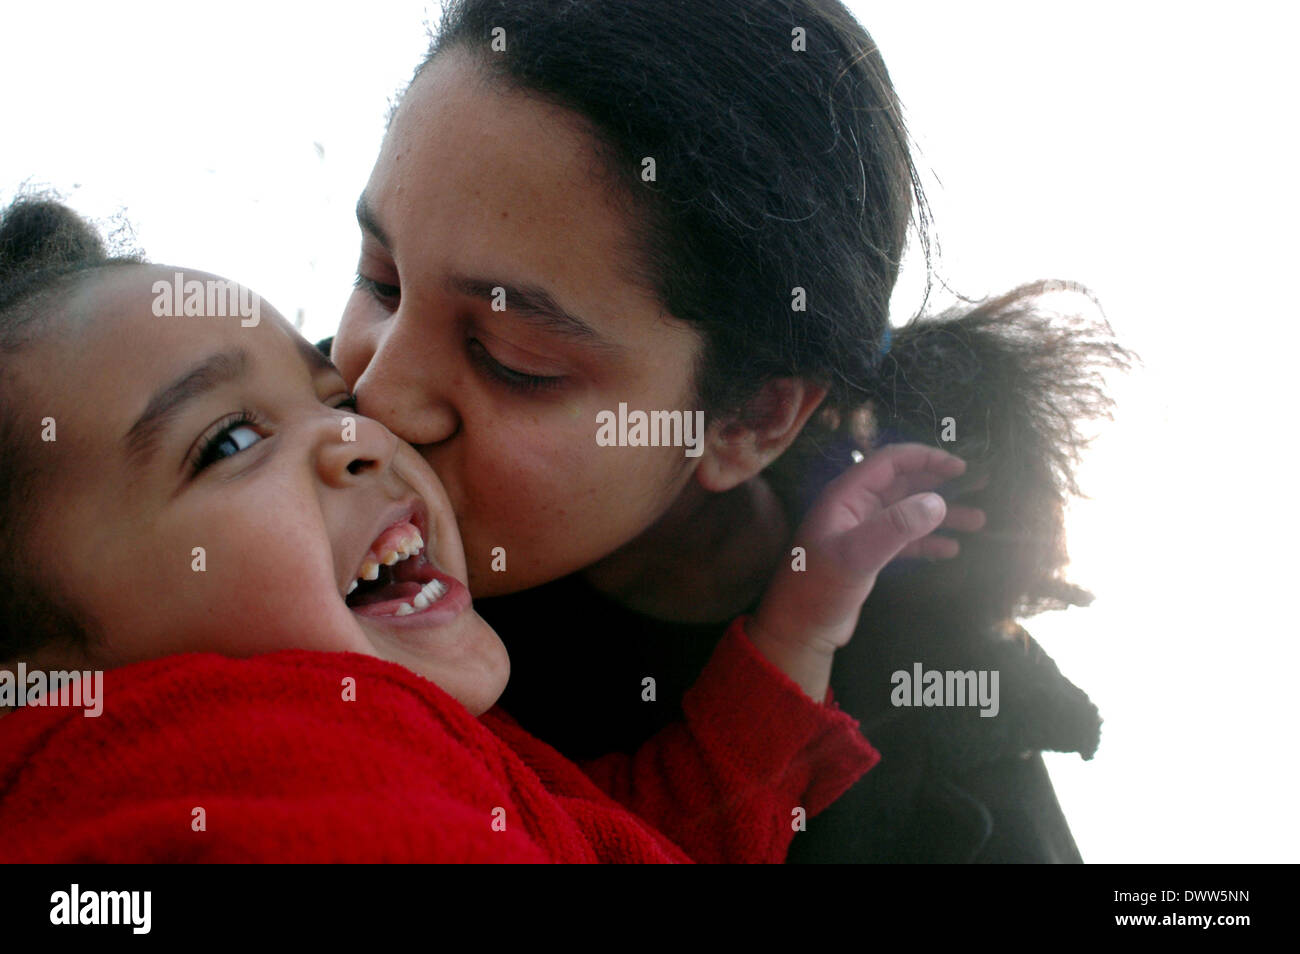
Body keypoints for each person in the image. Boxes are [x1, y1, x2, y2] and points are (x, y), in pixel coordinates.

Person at [322, 0, 1136, 862]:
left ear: (751, 419)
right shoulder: (244, 465)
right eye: (380, 280)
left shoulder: (938, 759)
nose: (379, 392)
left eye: (510, 358)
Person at [0, 196, 966, 863]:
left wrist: (801, 623)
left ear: (752, 417)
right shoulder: (171, 756)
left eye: (328, 396)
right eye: (231, 439)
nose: (362, 431)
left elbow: (643, 838)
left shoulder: (392, 727)